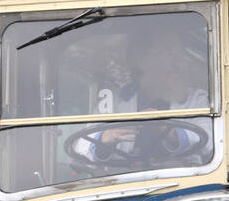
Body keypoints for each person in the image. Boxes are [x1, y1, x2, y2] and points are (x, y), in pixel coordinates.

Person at [75, 17, 210, 164]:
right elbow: (81, 147)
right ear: (141, 61)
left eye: (180, 54)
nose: (178, 63)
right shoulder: (113, 100)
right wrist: (105, 137)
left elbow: (213, 142)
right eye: (168, 53)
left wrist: (170, 131)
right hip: (123, 182)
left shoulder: (197, 99)